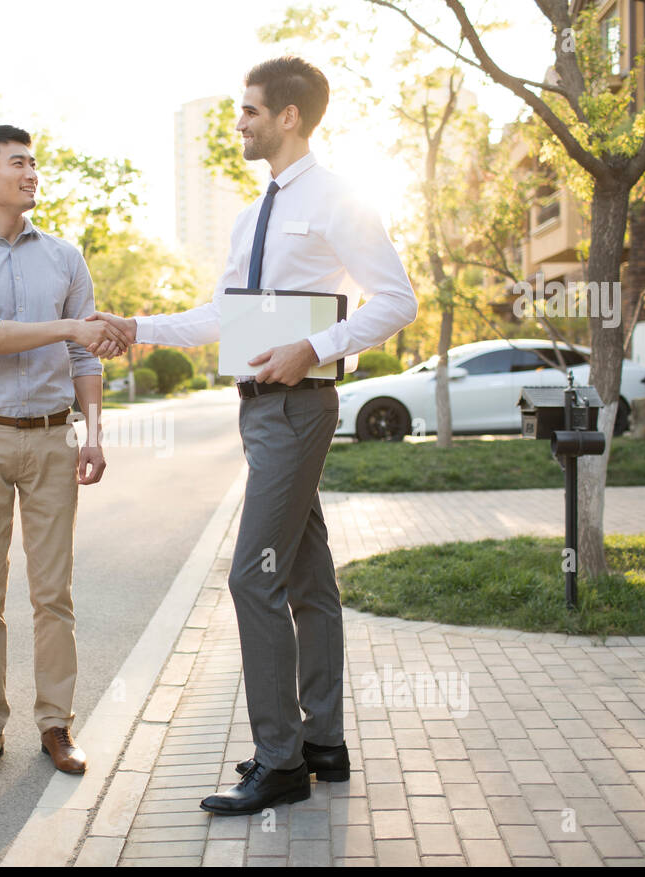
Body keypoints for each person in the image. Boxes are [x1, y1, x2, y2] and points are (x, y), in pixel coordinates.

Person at [91, 57, 418, 815]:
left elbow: (396, 299)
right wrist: (135, 328)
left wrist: (317, 346)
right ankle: (323, 743)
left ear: (289, 117)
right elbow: (221, 319)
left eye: (248, 110)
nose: (238, 123)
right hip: (258, 410)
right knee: (306, 576)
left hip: (300, 406)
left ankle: (280, 762)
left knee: (251, 577)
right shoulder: (250, 215)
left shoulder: (338, 199)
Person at [0, 125, 127, 779]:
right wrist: (72, 325)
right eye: (19, 163)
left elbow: (83, 355)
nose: (32, 172)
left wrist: (92, 430)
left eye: (35, 162)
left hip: (51, 435)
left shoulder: (66, 257)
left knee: (53, 593)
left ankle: (56, 724)